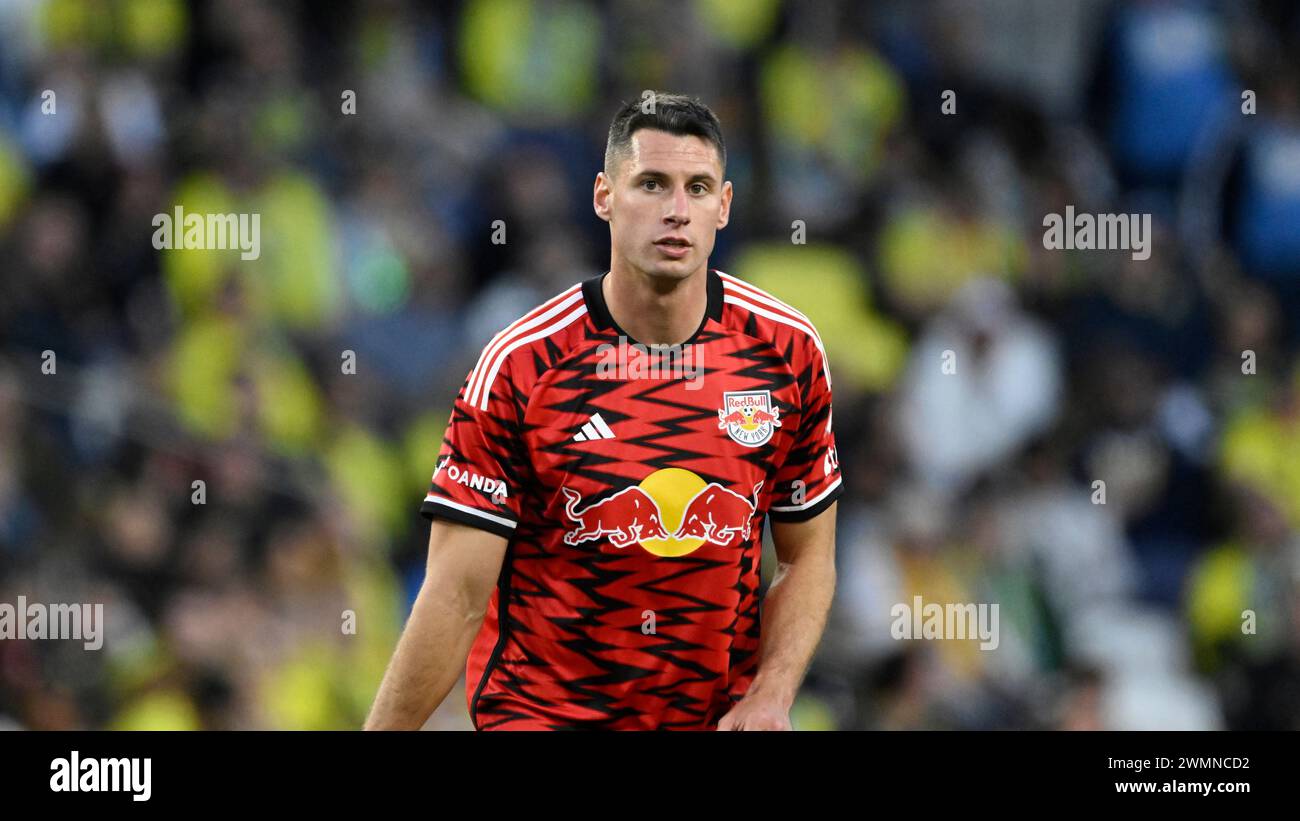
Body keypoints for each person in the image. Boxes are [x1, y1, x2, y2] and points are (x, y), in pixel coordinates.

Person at [365, 93, 841, 730]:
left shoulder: (787, 352)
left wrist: (772, 693)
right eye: (651, 184)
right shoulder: (521, 368)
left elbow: (807, 556)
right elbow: (454, 597)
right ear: (604, 197)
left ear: (723, 207)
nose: (676, 211)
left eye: (697, 188)